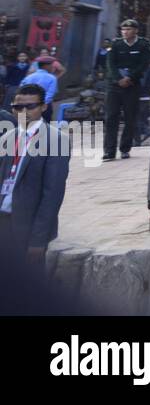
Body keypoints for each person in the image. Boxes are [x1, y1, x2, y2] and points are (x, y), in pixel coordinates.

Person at [0, 85, 70, 270]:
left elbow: (52, 195)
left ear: (44, 107)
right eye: (18, 107)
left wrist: (38, 240)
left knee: (25, 290)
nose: (24, 112)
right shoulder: (7, 137)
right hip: (3, 220)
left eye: (30, 106)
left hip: (27, 226)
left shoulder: (56, 140)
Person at [103, 19, 150, 162]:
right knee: (111, 117)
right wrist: (118, 78)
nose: (125, 32)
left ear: (136, 30)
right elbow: (110, 64)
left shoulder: (143, 44)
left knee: (130, 117)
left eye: (129, 29)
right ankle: (109, 151)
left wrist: (130, 77)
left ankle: (125, 148)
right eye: (123, 29)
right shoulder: (116, 44)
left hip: (132, 84)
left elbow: (144, 64)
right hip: (114, 84)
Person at [19, 57, 58, 123]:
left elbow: (21, 90)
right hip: (45, 107)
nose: (53, 67)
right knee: (45, 127)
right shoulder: (52, 78)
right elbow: (50, 94)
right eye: (51, 65)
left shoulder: (29, 77)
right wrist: (40, 105)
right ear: (46, 66)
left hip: (28, 105)